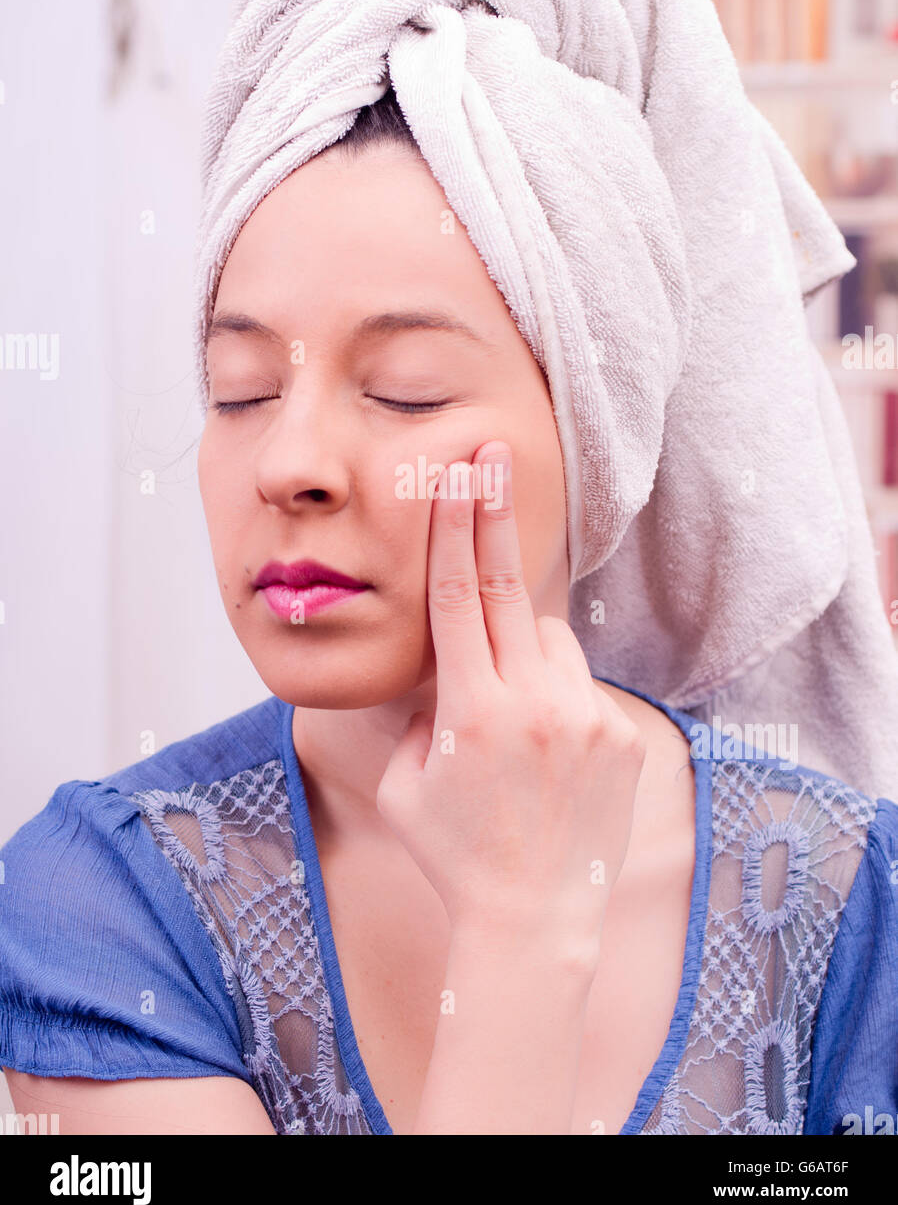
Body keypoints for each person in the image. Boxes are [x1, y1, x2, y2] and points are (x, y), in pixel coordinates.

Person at [1, 90, 896, 1135]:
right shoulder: (99, 900)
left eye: (408, 390)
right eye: (241, 390)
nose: (290, 465)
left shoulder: (845, 909)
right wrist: (521, 935)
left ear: (595, 439)